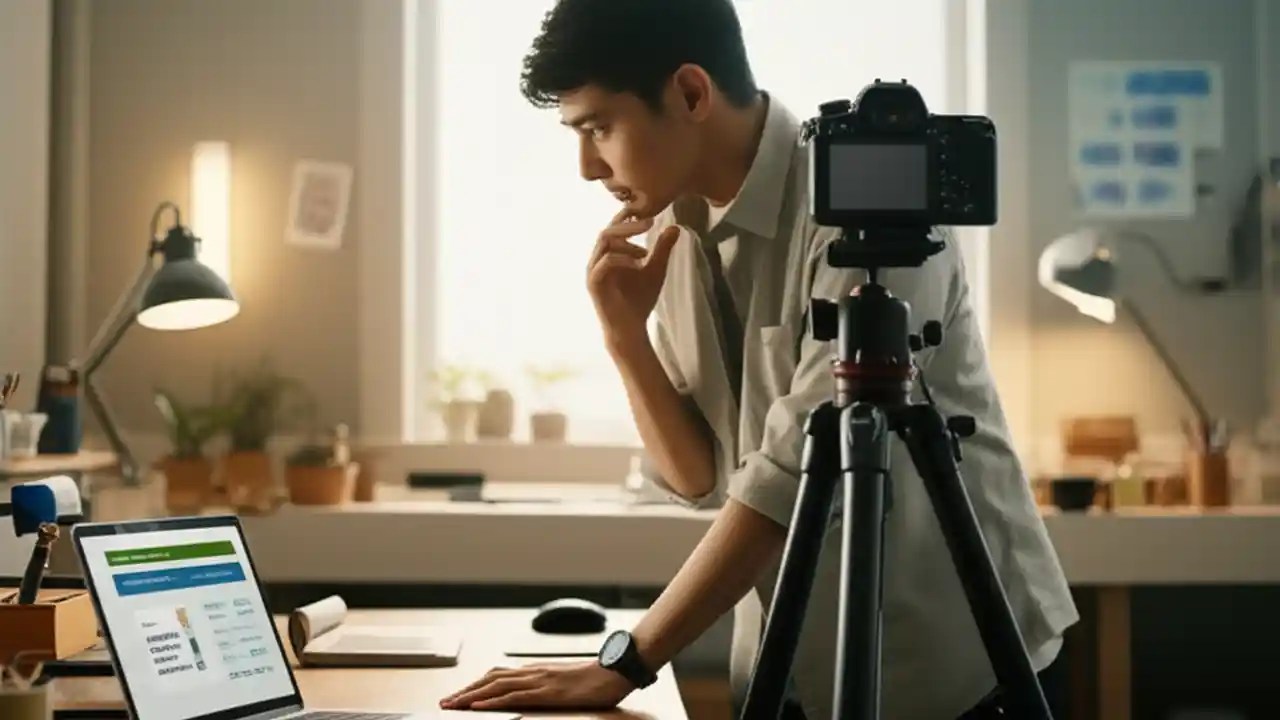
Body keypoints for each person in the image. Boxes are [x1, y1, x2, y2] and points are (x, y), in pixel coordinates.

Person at [440, 0, 1079, 718]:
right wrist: (625, 338)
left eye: (599, 128)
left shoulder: (861, 201)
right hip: (791, 666)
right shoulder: (677, 227)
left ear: (689, 93)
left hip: (954, 669)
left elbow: (788, 481)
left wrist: (628, 660)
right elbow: (698, 475)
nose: (589, 166)